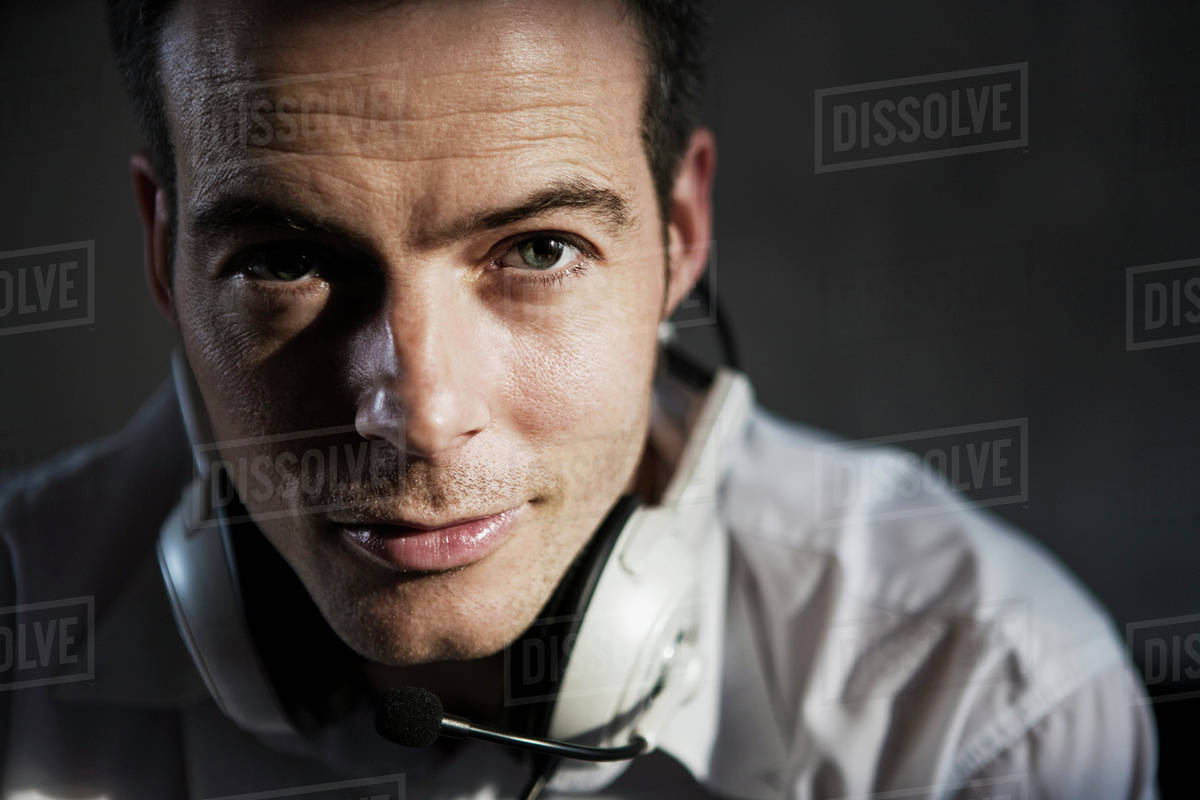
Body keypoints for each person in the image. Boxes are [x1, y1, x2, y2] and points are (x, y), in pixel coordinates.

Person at [0, 0, 1157, 797]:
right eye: (285, 262)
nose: (417, 412)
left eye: (538, 250)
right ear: (162, 252)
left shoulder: (989, 712)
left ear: (680, 232)